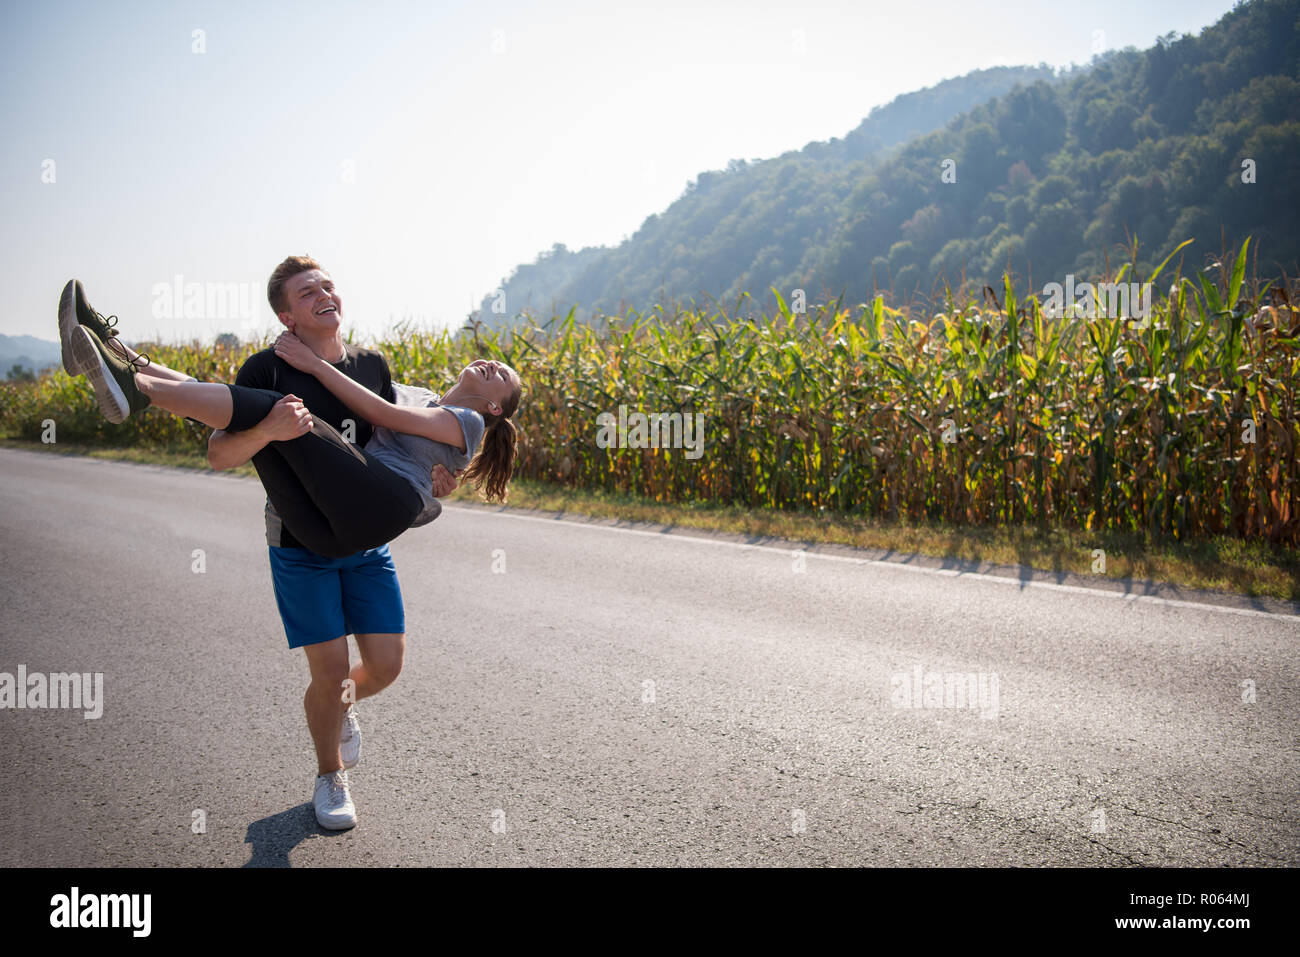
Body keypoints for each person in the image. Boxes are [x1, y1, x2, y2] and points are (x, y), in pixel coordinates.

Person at [57, 260, 522, 830]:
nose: (324, 294)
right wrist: (265, 433)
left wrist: (438, 478)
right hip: (304, 533)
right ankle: (124, 364)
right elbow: (220, 449)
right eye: (308, 292)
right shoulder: (279, 369)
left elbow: (382, 415)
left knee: (384, 666)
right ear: (286, 316)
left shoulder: (378, 372)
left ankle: (135, 384)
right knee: (280, 422)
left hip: (367, 528)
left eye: (328, 285)